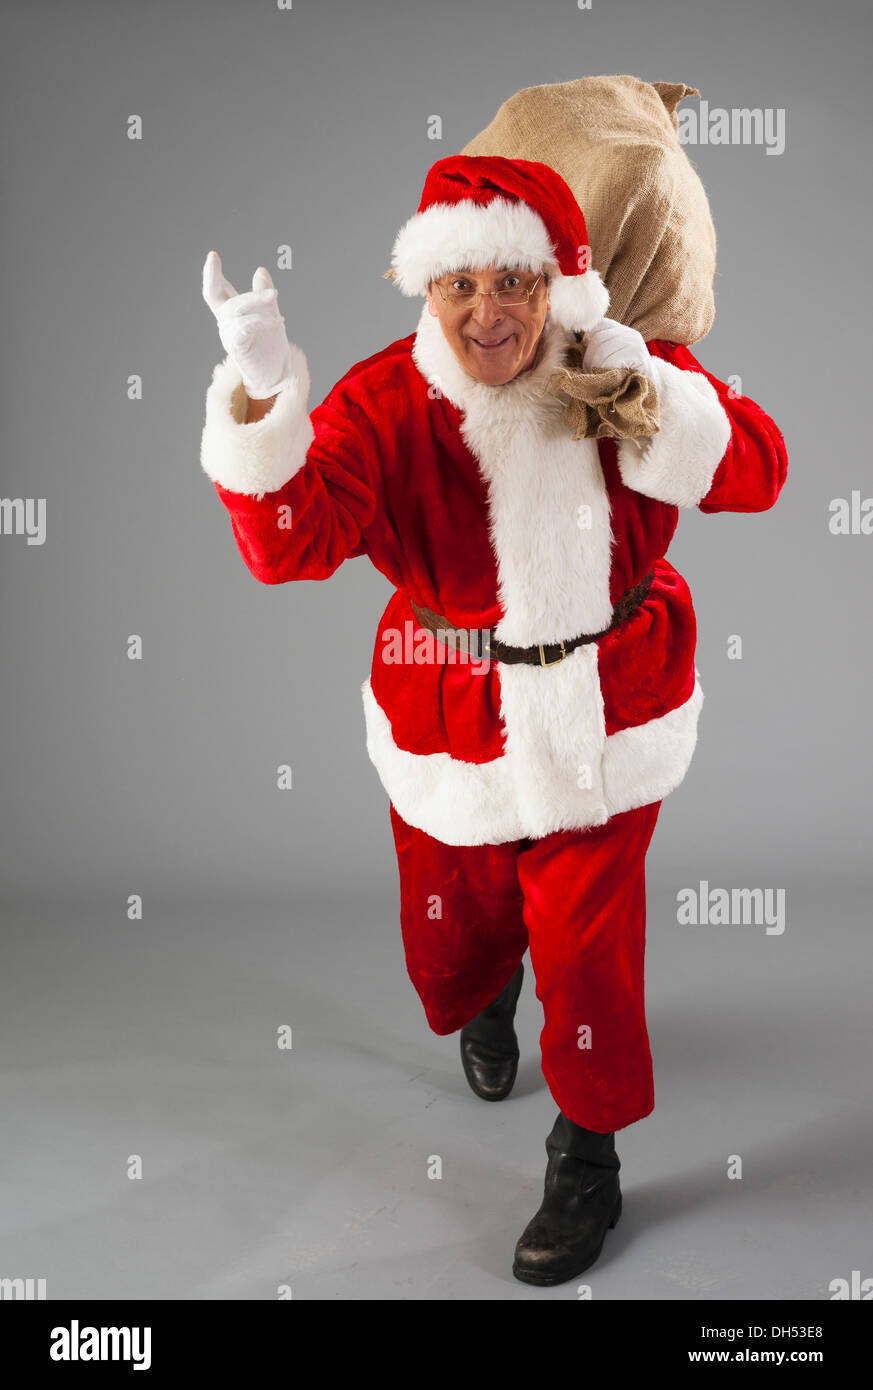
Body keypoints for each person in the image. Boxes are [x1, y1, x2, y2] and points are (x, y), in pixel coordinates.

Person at [199, 154, 787, 1287]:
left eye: (511, 282)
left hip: (607, 708)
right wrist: (266, 397)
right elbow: (287, 547)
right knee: (455, 936)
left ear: (559, 285)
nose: (484, 312)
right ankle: (487, 985)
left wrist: (654, 397)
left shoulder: (620, 367)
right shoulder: (382, 397)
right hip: (449, 707)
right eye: (456, 284)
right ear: (424, 291)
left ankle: (587, 1158)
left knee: (590, 946)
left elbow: (758, 468)